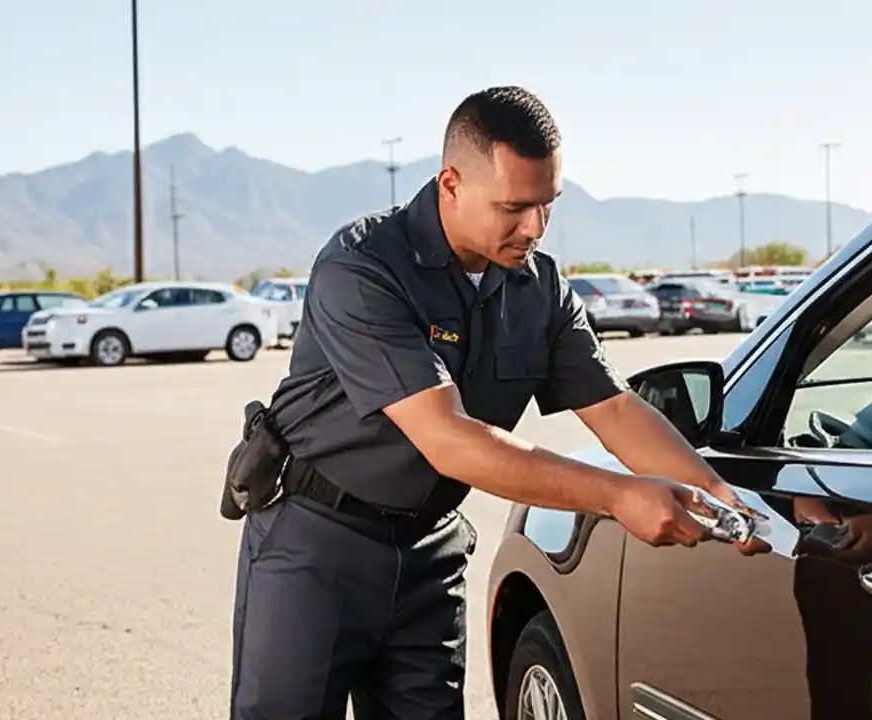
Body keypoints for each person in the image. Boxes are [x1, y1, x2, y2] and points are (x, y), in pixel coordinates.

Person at [229, 85, 758, 719]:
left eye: (547, 205)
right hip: (318, 545)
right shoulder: (363, 267)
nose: (533, 227)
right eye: (514, 207)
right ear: (450, 183)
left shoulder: (541, 287)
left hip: (429, 550)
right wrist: (618, 495)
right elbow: (449, 437)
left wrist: (722, 498)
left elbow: (614, 408)